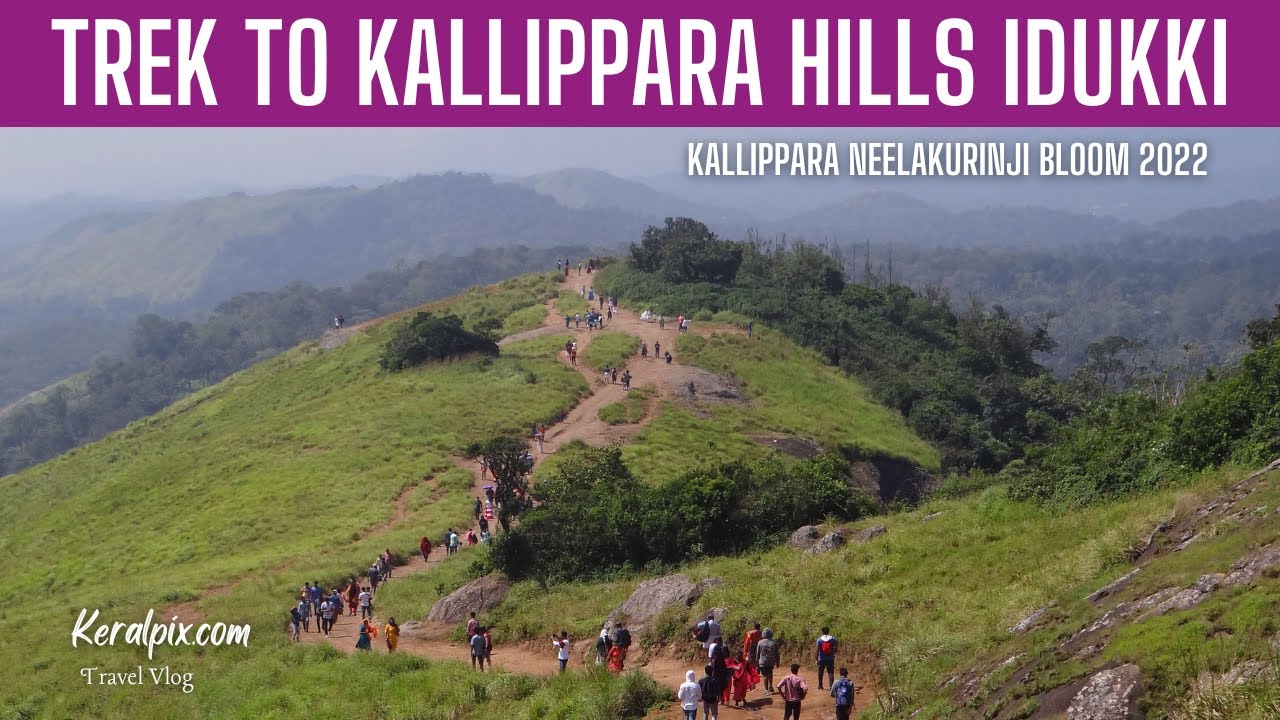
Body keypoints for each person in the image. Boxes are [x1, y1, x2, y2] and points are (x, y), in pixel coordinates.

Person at [756, 628, 779, 694]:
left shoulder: (760, 642)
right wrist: (777, 661)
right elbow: (777, 653)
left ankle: (766, 690)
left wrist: (757, 664)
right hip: (771, 662)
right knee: (770, 673)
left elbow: (757, 653)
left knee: (765, 675)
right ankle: (771, 687)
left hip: (763, 662)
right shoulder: (774, 642)